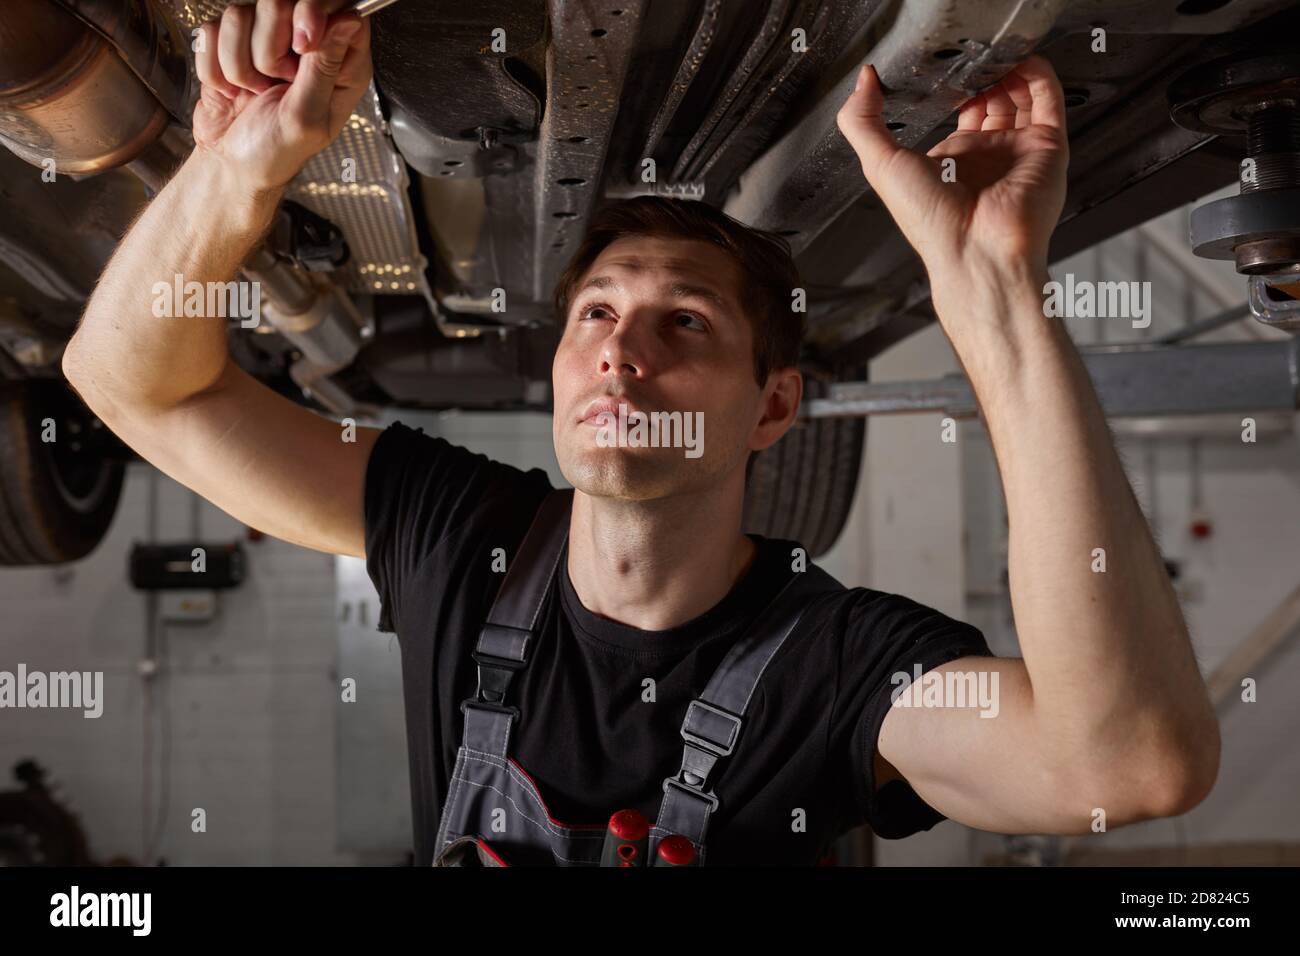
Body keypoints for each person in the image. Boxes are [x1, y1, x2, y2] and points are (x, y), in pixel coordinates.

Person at [61, 2, 1219, 865]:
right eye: (599, 313)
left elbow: (1123, 765)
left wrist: (993, 291)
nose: (624, 350)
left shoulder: (838, 664)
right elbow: (131, 384)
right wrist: (230, 169)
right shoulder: (460, 533)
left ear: (773, 404)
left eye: (686, 322)